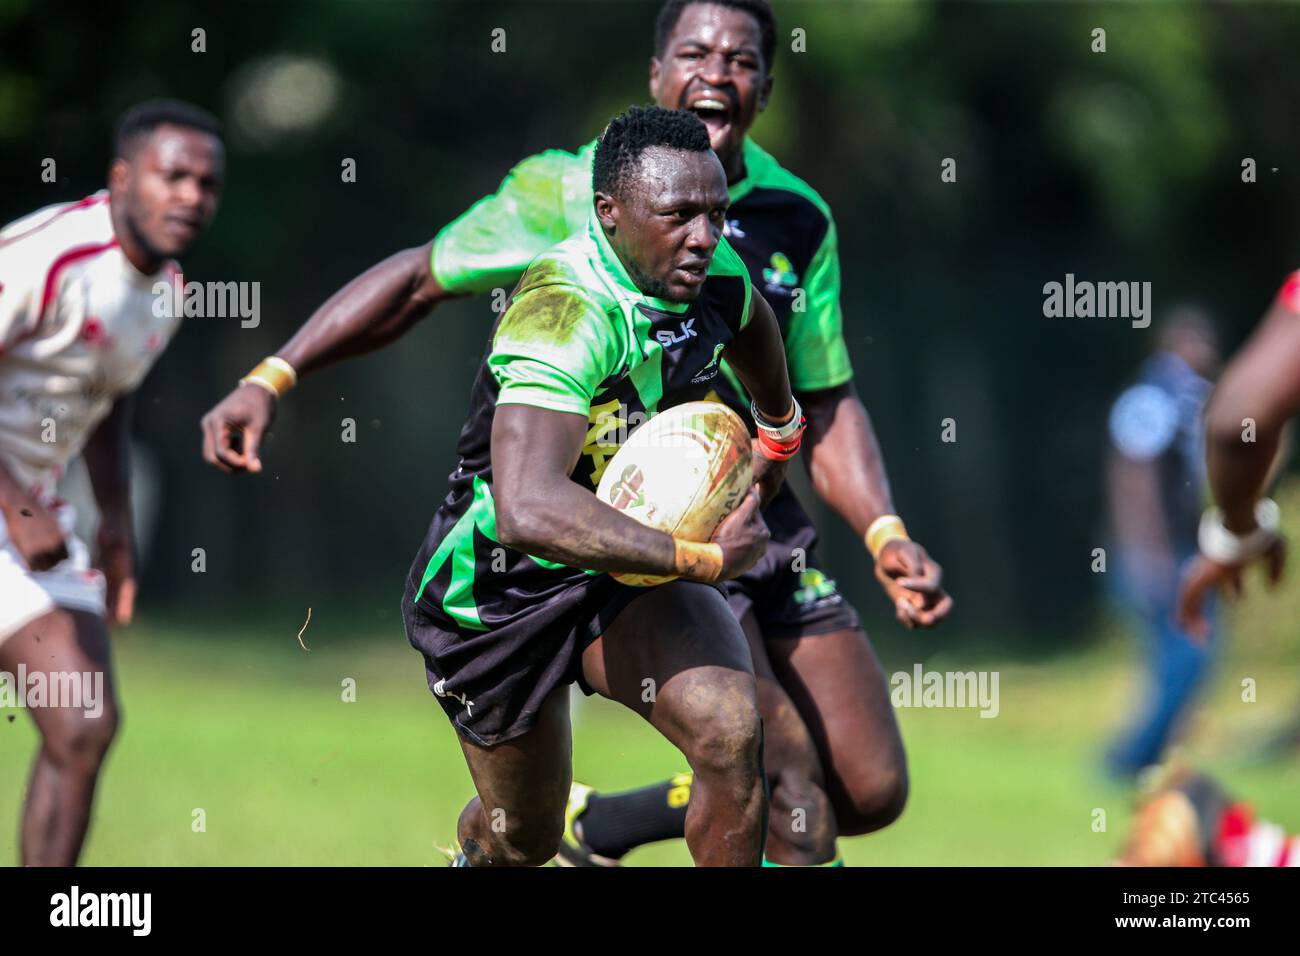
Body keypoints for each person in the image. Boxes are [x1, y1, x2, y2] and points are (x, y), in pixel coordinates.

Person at [200, 0, 951, 867]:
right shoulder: (564, 304)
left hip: (661, 550)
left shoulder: (744, 234)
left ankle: (620, 821)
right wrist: (273, 374)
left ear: (766, 86)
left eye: (739, 57)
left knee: (739, 735)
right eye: (694, 50)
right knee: (521, 838)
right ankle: (531, 839)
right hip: (512, 581)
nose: (707, 236)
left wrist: (780, 437)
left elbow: (765, 335)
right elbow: (523, 501)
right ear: (609, 208)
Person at [0, 99, 225, 865]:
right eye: (174, 177)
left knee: (84, 722)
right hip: (16, 505)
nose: (192, 196)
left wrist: (116, 528)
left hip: (35, 515)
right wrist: (18, 502)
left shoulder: (168, 292)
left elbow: (107, 395)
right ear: (123, 178)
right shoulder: (47, 255)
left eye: (207, 183)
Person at [1104, 308, 1221, 778]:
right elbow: (1133, 477)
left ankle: (1154, 758)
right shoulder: (1150, 399)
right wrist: (1147, 552)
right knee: (1185, 658)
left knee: (1183, 662)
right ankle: (1130, 760)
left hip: (1187, 552)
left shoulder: (1195, 399)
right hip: (1161, 555)